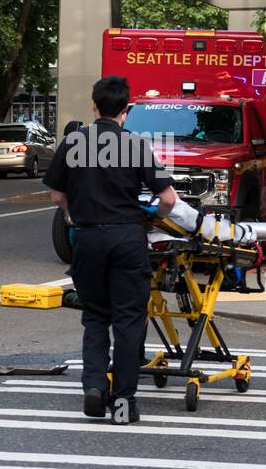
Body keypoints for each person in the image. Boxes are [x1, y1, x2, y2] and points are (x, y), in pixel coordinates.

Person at [45, 75, 176, 424]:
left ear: (94, 106)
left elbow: (57, 196)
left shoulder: (73, 142)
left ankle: (92, 386)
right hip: (127, 238)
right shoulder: (137, 145)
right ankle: (122, 401)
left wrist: (75, 216)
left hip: (87, 239)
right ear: (126, 109)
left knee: (95, 317)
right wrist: (153, 219)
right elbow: (168, 199)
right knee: (129, 321)